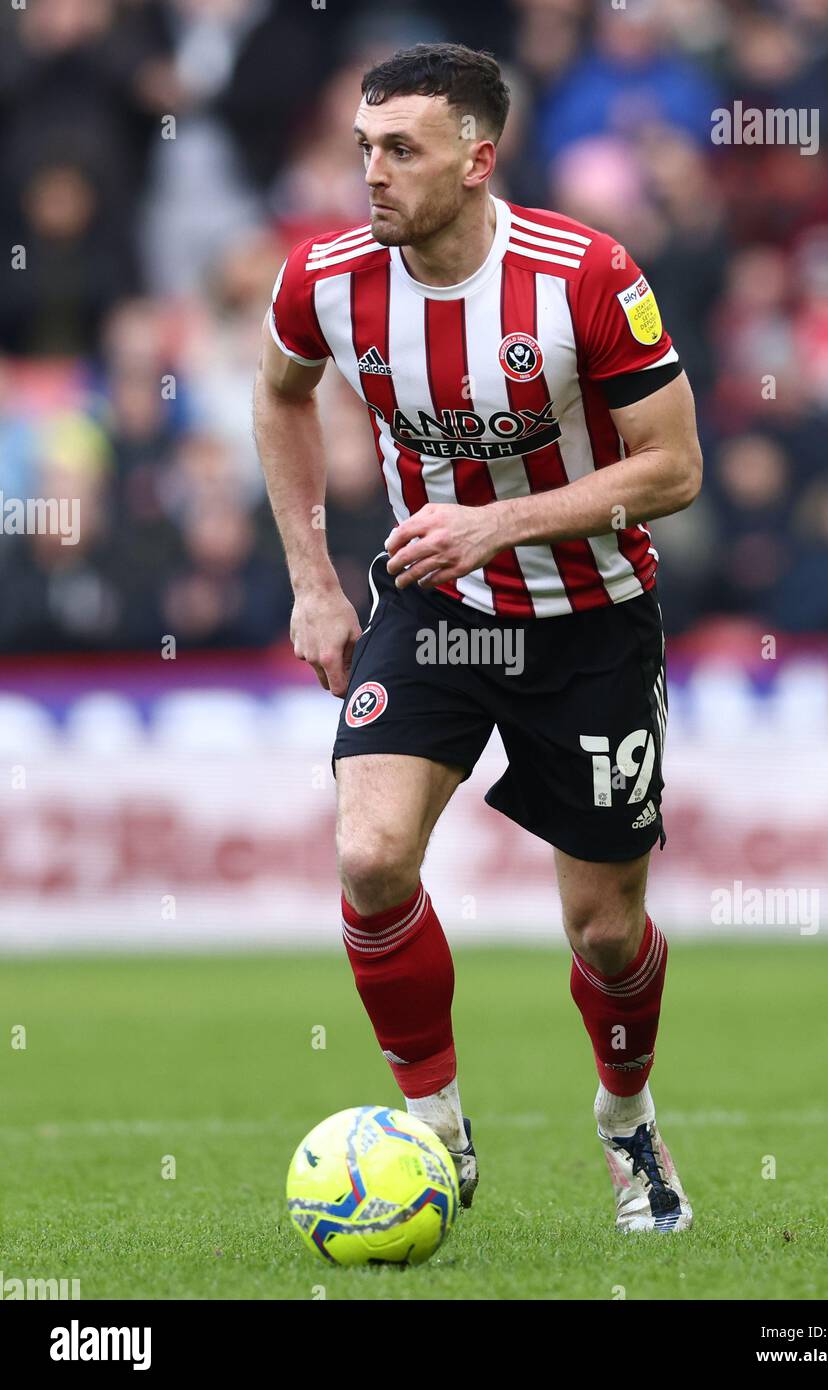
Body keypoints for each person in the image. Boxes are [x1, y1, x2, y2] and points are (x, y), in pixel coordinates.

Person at [254, 43, 702, 1234]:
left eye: (400, 148)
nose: (373, 173)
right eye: (362, 147)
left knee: (604, 932)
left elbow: (673, 468)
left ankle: (624, 1120)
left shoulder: (585, 275)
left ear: (475, 157)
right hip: (436, 609)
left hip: (593, 619)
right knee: (368, 856)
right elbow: (280, 394)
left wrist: (496, 521)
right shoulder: (328, 278)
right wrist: (311, 582)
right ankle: (436, 1128)